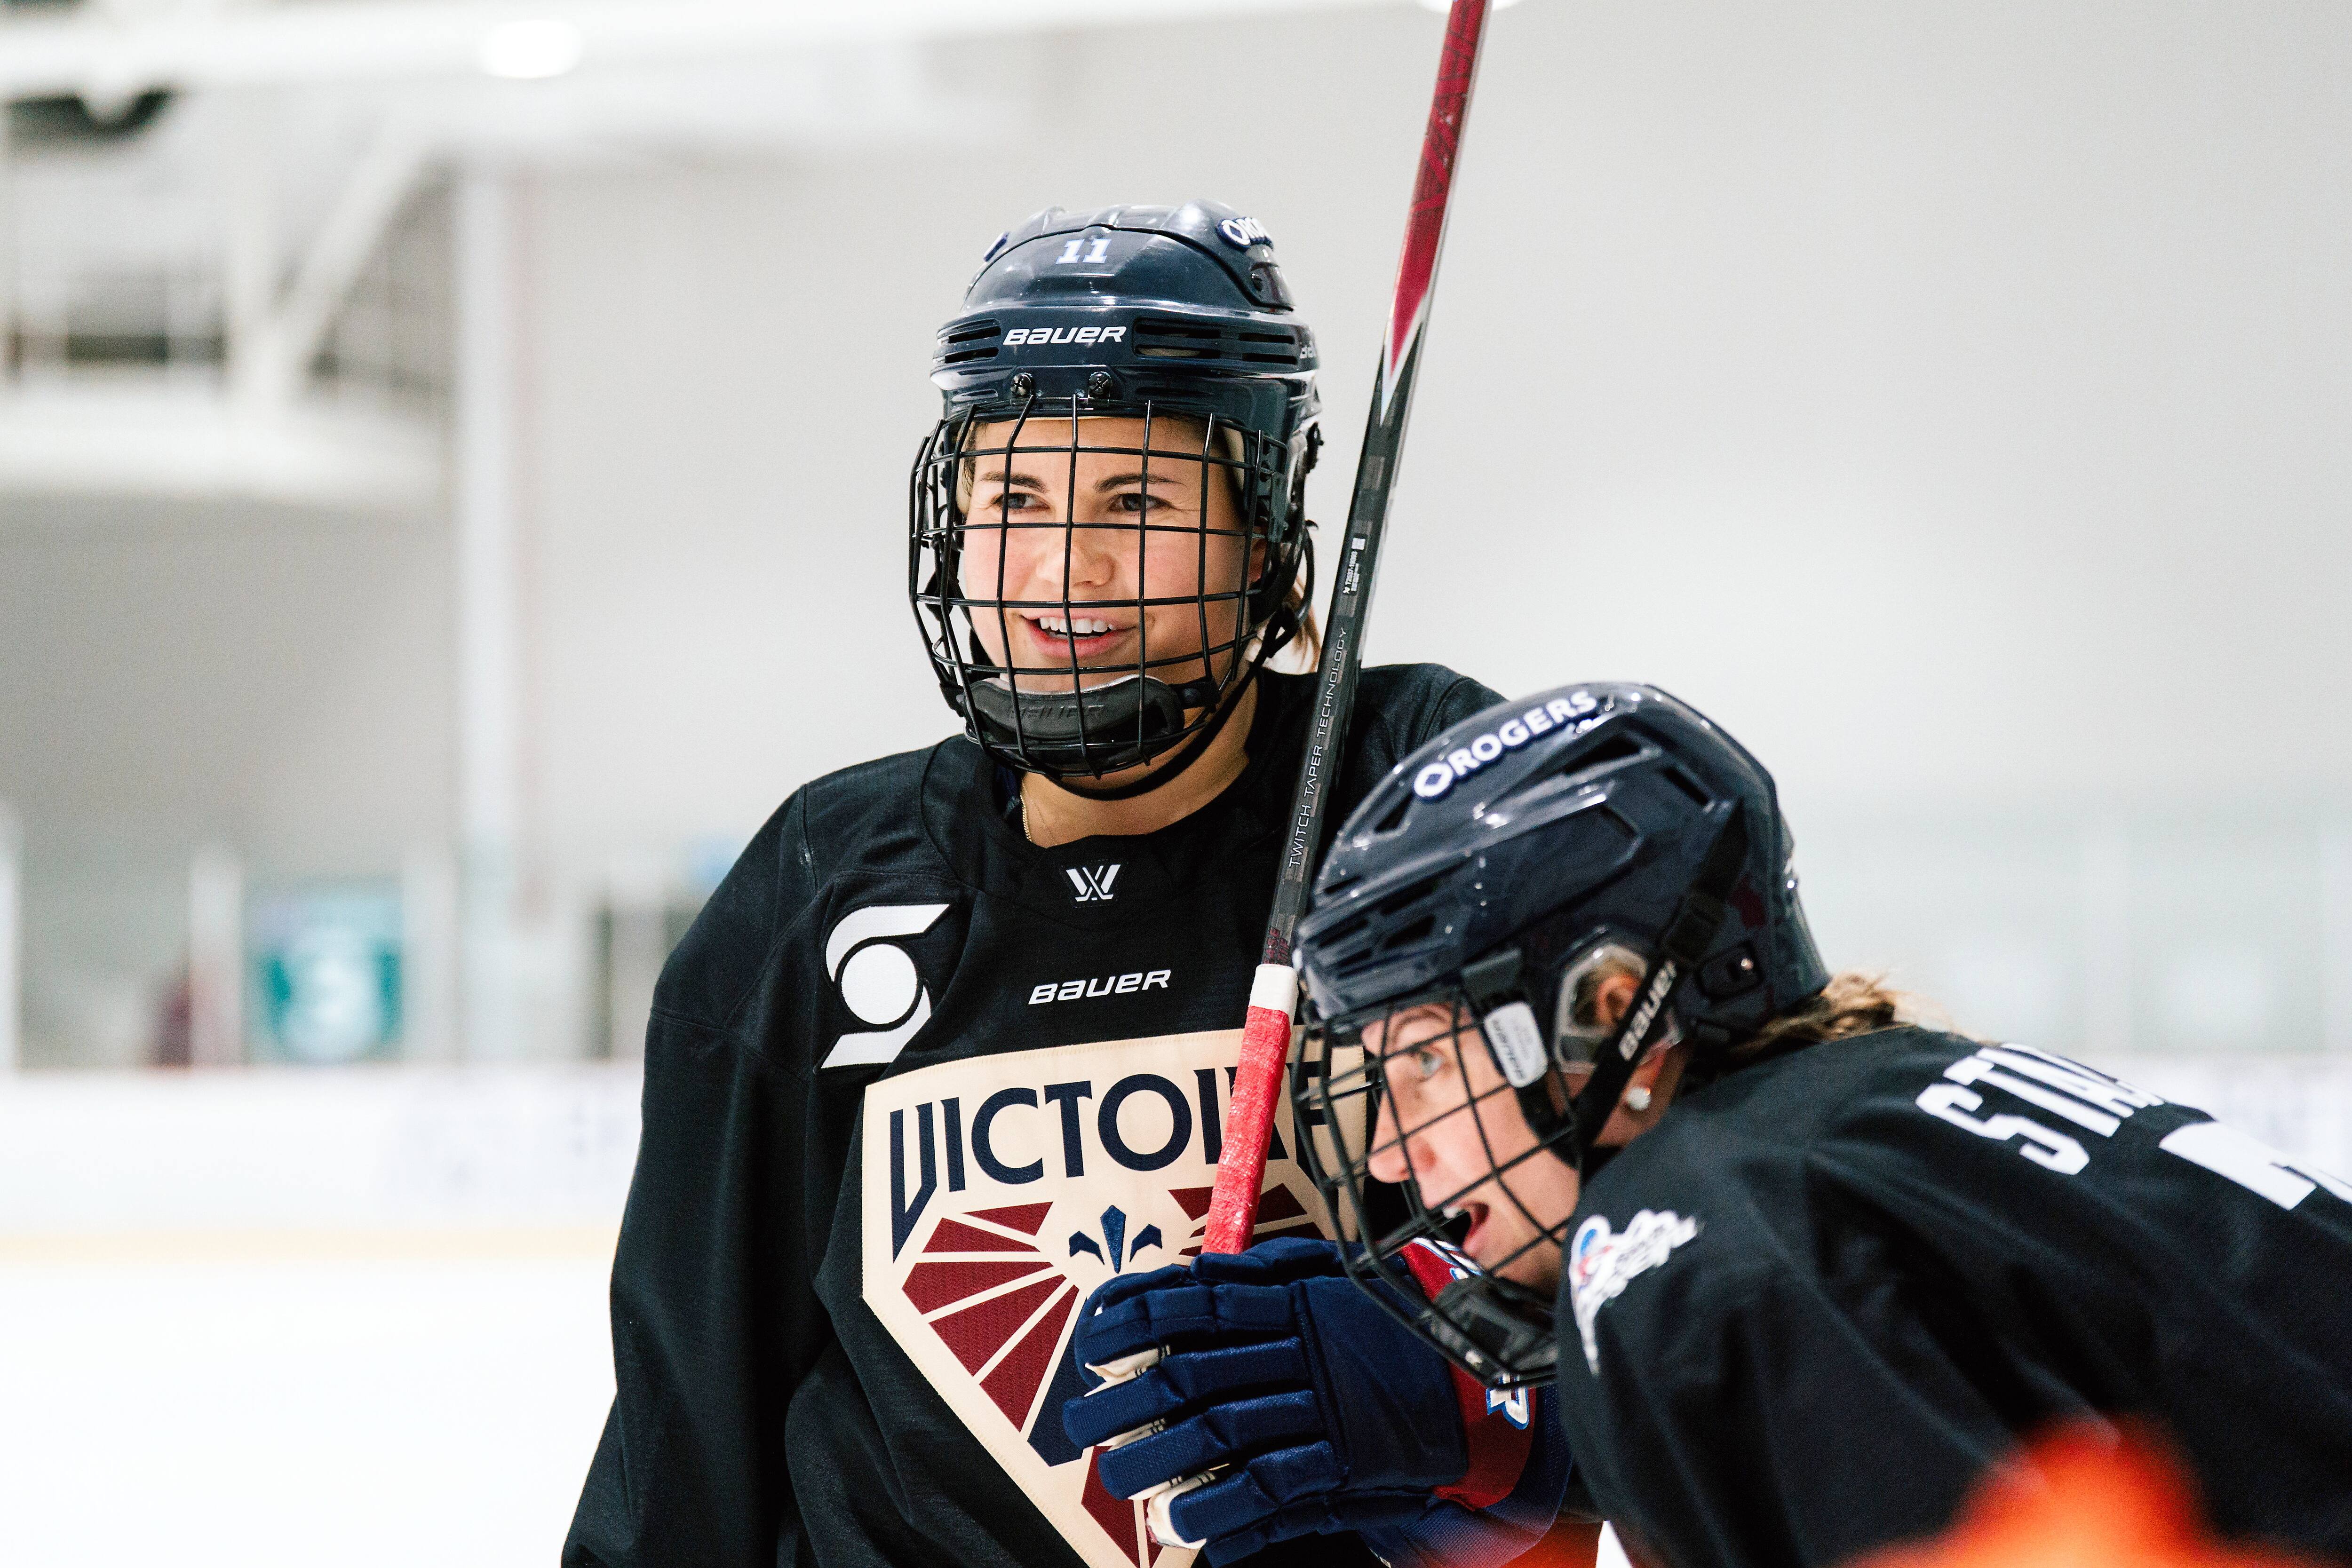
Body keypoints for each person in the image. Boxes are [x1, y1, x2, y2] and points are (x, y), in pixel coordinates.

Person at [563, 199, 1511, 1568]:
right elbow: (685, 1426)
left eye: (1136, 501)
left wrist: (1481, 1392)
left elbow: (1654, 1270)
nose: (1066, 571)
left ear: (1262, 534)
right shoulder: (823, 885)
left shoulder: (1421, 801)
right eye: (1014, 500)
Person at [1073, 681, 2352, 1568]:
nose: (1399, 1156)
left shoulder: (1688, 1226)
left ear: (1610, 1018)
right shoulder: (1880, 1114)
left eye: (1419, 1071)